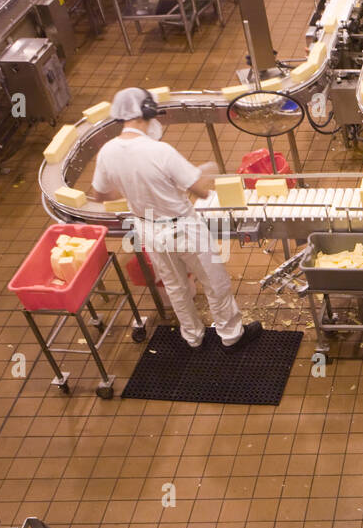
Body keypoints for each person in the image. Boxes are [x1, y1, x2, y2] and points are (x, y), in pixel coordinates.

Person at [89, 88, 262, 353]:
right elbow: (202, 190)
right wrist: (207, 170)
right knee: (214, 281)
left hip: (147, 228)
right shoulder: (160, 151)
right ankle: (231, 335)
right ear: (146, 113)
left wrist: (134, 188)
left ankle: (192, 337)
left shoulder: (107, 152)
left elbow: (100, 194)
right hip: (183, 228)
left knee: (176, 285)